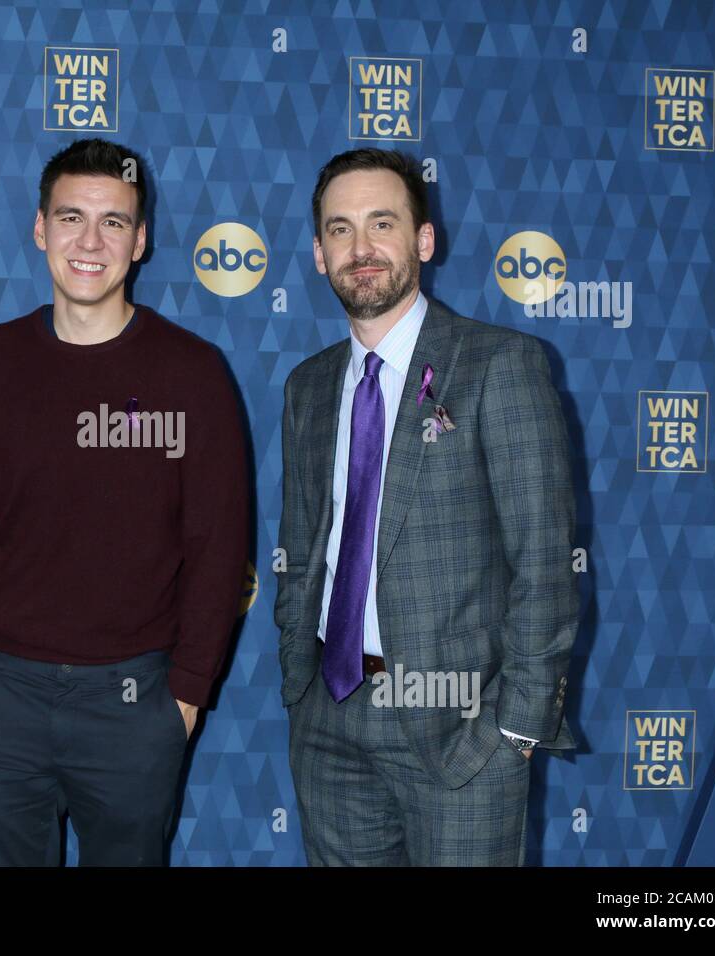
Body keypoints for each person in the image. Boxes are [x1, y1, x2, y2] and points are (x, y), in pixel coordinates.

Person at [0, 138, 249, 866]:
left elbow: (217, 544)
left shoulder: (193, 373)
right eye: (71, 217)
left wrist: (187, 698)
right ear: (40, 228)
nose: (89, 241)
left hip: (136, 701)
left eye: (113, 223)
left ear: (140, 242)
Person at [275, 147, 578, 865]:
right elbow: (301, 544)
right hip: (330, 717)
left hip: (461, 732)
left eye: (382, 223)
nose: (362, 248)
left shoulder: (499, 365)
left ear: (424, 239)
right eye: (340, 229)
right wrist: (299, 679)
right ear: (319, 254)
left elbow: (545, 563)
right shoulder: (309, 387)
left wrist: (515, 731)